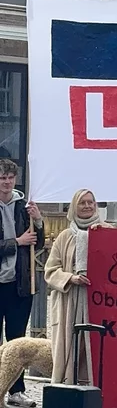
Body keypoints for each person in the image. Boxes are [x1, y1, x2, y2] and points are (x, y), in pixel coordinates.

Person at [44, 189, 107, 386]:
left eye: (91, 202)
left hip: (97, 300)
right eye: (82, 202)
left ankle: (94, 387)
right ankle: (67, 387)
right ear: (74, 206)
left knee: (95, 344)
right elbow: (50, 270)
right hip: (69, 300)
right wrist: (71, 278)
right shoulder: (64, 236)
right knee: (70, 345)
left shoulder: (107, 231)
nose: (87, 206)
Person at [0, 160, 44, 396]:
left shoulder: (22, 207)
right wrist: (15, 242)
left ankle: (16, 390)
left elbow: (38, 242)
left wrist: (37, 221)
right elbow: (22, 242)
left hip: (19, 284)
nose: (6, 182)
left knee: (17, 339)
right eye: (2, 178)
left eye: (10, 177)